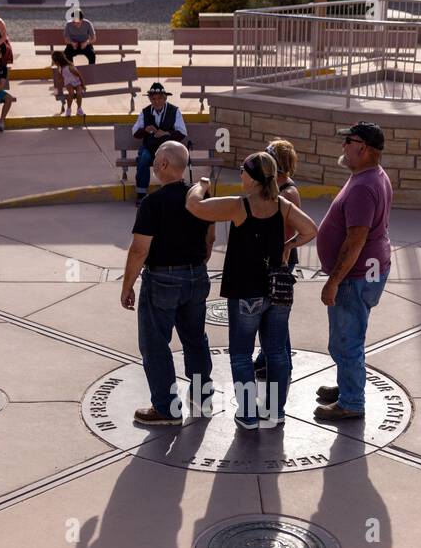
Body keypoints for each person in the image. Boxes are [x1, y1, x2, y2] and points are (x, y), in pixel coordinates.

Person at [186, 152, 317, 428]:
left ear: (253, 177)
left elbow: (195, 207)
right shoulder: (281, 204)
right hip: (277, 292)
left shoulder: (239, 206)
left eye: (243, 170)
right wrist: (288, 246)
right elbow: (311, 230)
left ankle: (247, 414)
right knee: (277, 353)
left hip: (246, 292)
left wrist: (201, 184)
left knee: (242, 355)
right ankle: (275, 411)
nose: (240, 174)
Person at [120, 140, 215, 426]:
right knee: (195, 339)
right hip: (197, 276)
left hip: (162, 279)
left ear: (163, 164)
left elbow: (139, 250)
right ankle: (202, 396)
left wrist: (127, 285)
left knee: (155, 343)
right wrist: (195, 265)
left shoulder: (153, 203)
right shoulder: (201, 199)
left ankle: (165, 407)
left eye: (155, 161)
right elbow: (210, 239)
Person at [314, 121, 393, 422]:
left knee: (347, 340)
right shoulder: (373, 176)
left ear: (364, 148)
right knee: (351, 334)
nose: (343, 146)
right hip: (368, 271)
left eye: (348, 141)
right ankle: (348, 384)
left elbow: (356, 239)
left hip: (355, 276)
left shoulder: (363, 187)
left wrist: (333, 282)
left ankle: (351, 402)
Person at [254, 138, 301, 380]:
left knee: (276, 317)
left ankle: (283, 364)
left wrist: (279, 256)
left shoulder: (288, 192)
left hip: (279, 262)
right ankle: (264, 359)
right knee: (267, 315)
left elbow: (288, 232)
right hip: (268, 259)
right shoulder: (272, 187)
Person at [131, 82, 185, 206]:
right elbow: (135, 132)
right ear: (150, 99)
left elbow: (182, 133)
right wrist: (145, 130)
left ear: (165, 98)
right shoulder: (145, 112)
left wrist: (166, 133)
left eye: (160, 98)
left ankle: (171, 194)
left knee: (170, 161)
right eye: (153, 99)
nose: (156, 102)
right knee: (144, 158)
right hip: (149, 148)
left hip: (167, 149)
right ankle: (141, 193)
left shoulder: (174, 111)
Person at [50, 50, 84, 117]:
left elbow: (79, 75)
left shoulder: (70, 67)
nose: (53, 63)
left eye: (54, 62)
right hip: (69, 83)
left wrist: (83, 85)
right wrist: (59, 82)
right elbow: (60, 77)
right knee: (71, 93)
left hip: (77, 82)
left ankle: (79, 109)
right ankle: (69, 109)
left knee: (79, 93)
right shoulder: (60, 68)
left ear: (58, 62)